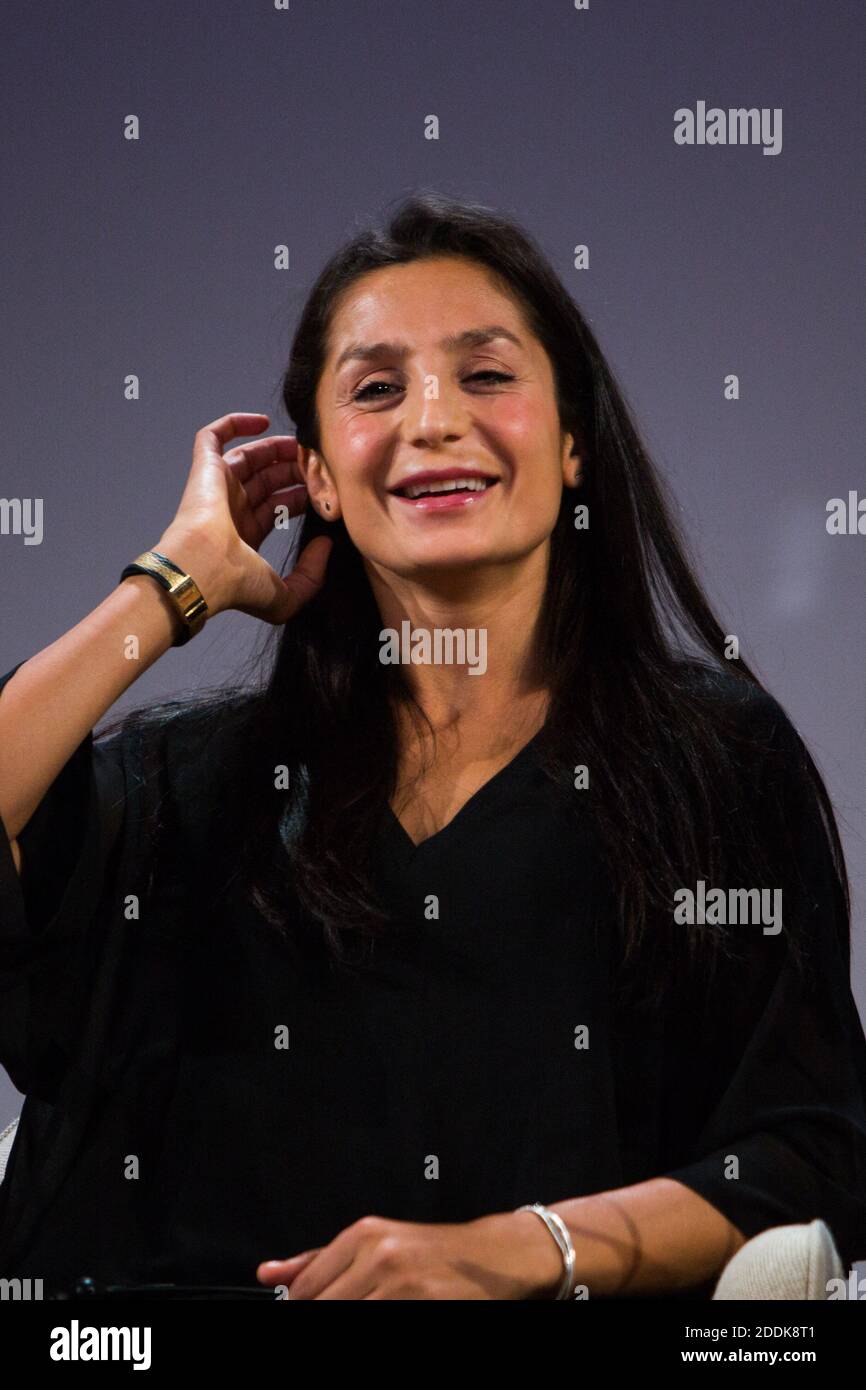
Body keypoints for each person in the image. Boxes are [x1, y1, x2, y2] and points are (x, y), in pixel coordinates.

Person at [1, 191, 866, 1301]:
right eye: (374, 389)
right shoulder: (190, 789)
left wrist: (522, 1247)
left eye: (485, 374)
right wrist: (171, 587)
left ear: (569, 447)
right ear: (314, 475)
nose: (431, 417)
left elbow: (807, 1153)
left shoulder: (713, 766)